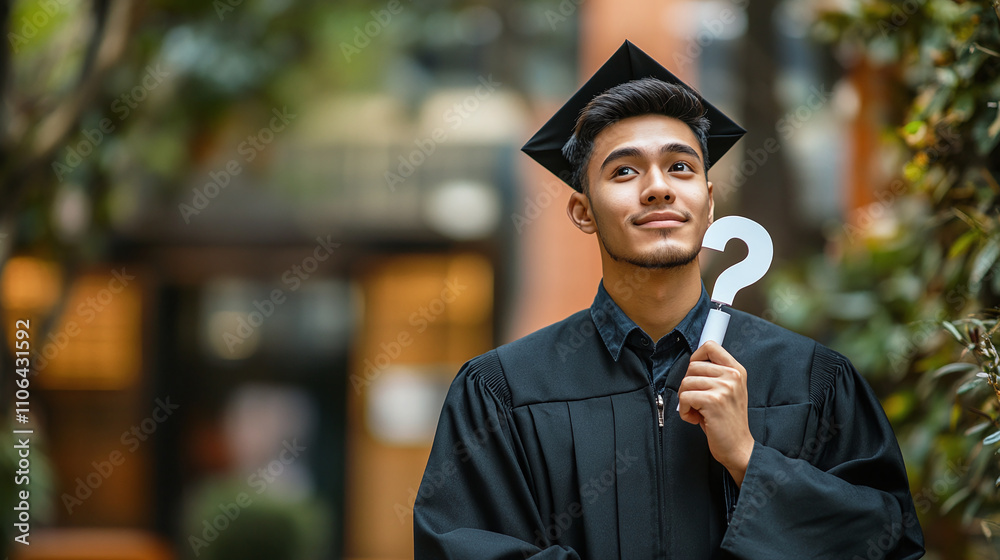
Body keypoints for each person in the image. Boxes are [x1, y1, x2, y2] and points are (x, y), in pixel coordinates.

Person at [413, 40, 925, 559]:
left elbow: (888, 542)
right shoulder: (503, 391)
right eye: (624, 171)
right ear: (583, 211)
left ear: (709, 201)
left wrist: (751, 460)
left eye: (680, 167)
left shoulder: (812, 380)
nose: (658, 188)